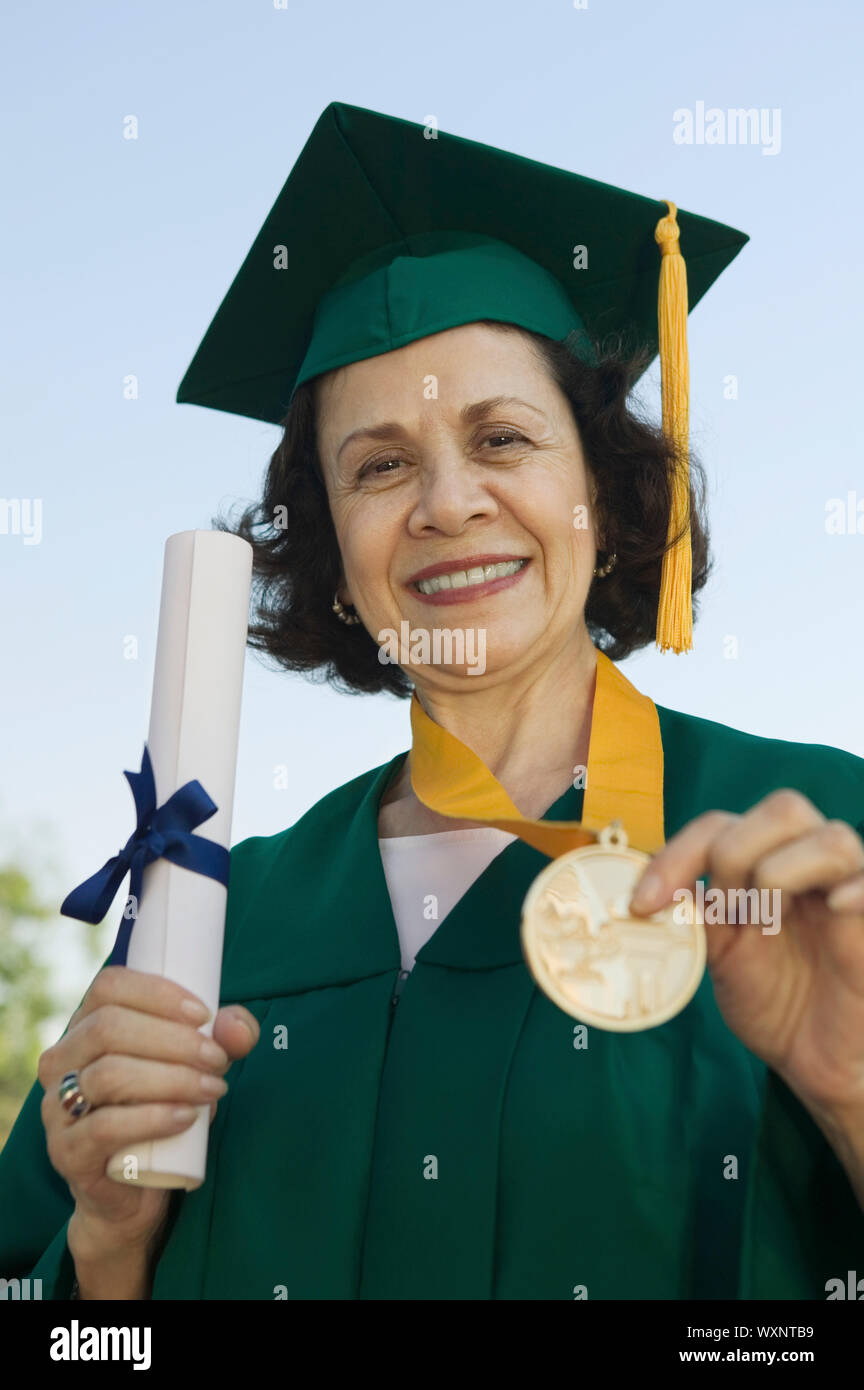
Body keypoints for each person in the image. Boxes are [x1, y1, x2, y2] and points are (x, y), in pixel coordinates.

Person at [1, 102, 863, 1301]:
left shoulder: (815, 843)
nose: (447, 503)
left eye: (502, 437)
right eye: (381, 463)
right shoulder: (211, 914)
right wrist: (103, 1247)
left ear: (604, 498)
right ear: (334, 560)